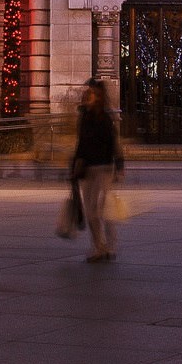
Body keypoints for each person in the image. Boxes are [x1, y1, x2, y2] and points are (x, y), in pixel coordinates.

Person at [71, 79, 123, 262]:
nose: (87, 95)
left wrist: (119, 166)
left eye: (91, 93)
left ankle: (110, 246)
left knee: (104, 210)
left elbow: (114, 143)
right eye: (87, 93)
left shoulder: (105, 119)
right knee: (91, 211)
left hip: (104, 168)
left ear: (99, 97)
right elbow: (81, 143)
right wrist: (75, 164)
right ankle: (98, 246)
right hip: (88, 168)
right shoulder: (84, 117)